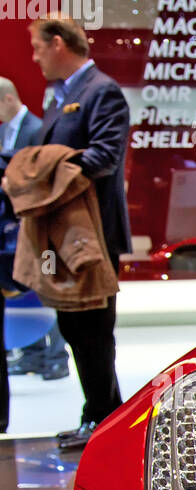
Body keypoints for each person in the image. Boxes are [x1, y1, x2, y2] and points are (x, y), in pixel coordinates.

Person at [28, 14, 130, 450]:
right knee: (74, 329)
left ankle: (105, 423)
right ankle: (98, 416)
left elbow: (104, 155)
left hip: (93, 236)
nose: (34, 58)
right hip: (62, 236)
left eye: (36, 48)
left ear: (57, 43)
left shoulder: (101, 91)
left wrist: (45, 168)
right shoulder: (61, 98)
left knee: (92, 331)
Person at [1, 74, 47, 432]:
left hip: (30, 225)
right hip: (10, 229)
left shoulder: (37, 128)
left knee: (43, 289)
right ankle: (33, 353)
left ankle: (53, 356)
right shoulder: (6, 132)